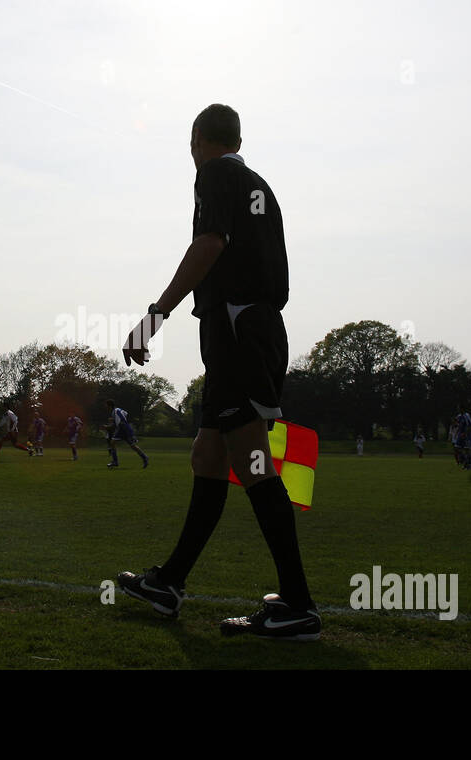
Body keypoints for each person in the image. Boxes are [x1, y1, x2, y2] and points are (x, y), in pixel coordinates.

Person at [115, 104, 318, 640]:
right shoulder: (256, 183)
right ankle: (170, 581)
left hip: (237, 331)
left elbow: (209, 244)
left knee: (253, 462)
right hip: (250, 329)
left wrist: (154, 316)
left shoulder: (215, 173)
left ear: (198, 138)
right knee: (208, 454)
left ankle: (298, 604)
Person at [104, 400, 148, 469]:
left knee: (112, 443)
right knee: (132, 446)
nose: (105, 407)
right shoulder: (118, 409)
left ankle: (115, 461)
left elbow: (118, 423)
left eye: (106, 405)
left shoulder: (114, 411)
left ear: (109, 405)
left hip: (122, 428)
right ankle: (145, 457)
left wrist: (108, 427)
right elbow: (125, 414)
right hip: (126, 427)